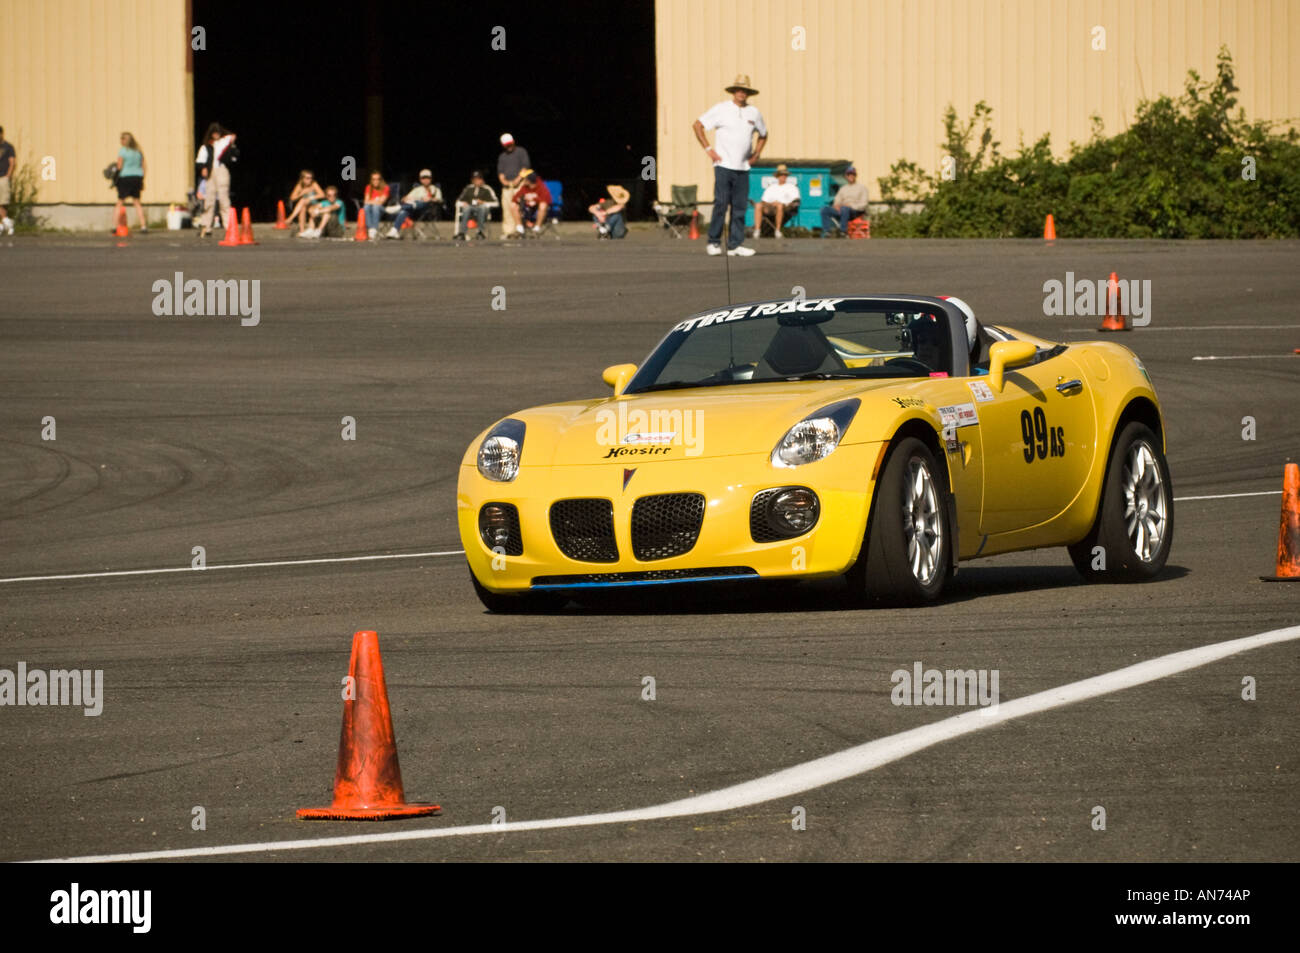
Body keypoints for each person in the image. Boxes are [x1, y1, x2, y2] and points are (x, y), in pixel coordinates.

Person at [692, 73, 766, 257]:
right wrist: (708, 149)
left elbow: (763, 134)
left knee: (740, 206)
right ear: (734, 92)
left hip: (743, 166)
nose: (742, 93)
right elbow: (698, 125)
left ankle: (735, 244)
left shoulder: (754, 113)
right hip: (723, 164)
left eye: (745, 90)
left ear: (748, 93)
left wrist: (756, 154)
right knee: (721, 203)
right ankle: (714, 241)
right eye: (739, 90)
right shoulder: (721, 108)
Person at [196, 123, 237, 238]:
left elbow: (232, 136)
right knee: (209, 200)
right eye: (214, 132)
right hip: (210, 172)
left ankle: (229, 226)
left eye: (218, 132)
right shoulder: (206, 146)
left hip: (221, 170)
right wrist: (203, 168)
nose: (216, 135)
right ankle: (206, 227)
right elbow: (199, 160)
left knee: (224, 198)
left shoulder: (224, 141)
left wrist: (230, 140)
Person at [386, 169, 442, 239]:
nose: (426, 180)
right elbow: (404, 199)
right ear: (420, 179)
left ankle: (399, 207)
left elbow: (439, 200)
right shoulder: (417, 189)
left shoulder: (435, 189)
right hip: (413, 210)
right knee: (404, 211)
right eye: (423, 178)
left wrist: (430, 199)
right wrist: (410, 199)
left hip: (426, 209)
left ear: (431, 179)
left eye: (428, 178)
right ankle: (394, 231)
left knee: (422, 202)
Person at [496, 132, 530, 239]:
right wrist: (503, 181)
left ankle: (518, 230)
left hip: (519, 184)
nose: (509, 146)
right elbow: (500, 172)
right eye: (507, 145)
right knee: (507, 208)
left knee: (517, 207)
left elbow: (526, 168)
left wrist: (519, 179)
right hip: (507, 186)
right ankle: (508, 232)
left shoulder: (521, 152)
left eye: (510, 144)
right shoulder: (502, 156)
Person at [752, 164, 799, 238]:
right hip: (770, 207)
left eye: (785, 175)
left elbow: (796, 200)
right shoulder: (771, 187)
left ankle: (777, 230)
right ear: (777, 176)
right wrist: (772, 204)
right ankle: (757, 230)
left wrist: (784, 204)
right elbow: (764, 200)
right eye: (781, 175)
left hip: (785, 208)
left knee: (779, 205)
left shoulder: (792, 187)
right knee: (758, 205)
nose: (783, 176)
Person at [820, 166, 869, 237]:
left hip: (855, 211)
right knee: (824, 209)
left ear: (855, 175)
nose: (851, 176)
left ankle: (843, 231)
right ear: (846, 176)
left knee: (845, 209)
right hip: (842, 209)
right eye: (849, 174)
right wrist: (836, 205)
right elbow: (837, 200)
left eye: (852, 174)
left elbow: (864, 204)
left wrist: (851, 206)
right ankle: (827, 231)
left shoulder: (862, 188)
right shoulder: (843, 188)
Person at [454, 170, 498, 240]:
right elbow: (458, 201)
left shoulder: (487, 189)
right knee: (467, 208)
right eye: (475, 179)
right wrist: (463, 203)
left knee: (482, 208)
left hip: (482, 210)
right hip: (470, 209)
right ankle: (462, 233)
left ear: (482, 180)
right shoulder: (468, 188)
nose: (477, 181)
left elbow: (496, 203)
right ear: (472, 180)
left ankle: (480, 232)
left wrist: (483, 202)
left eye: (478, 179)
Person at [513, 170, 551, 236]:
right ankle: (519, 229)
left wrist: (534, 200)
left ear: (529, 180)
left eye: (524, 179)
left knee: (543, 205)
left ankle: (536, 229)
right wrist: (521, 199)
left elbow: (547, 199)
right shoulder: (524, 187)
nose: (523, 181)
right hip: (527, 209)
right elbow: (515, 198)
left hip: (537, 209)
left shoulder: (541, 186)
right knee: (513, 204)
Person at [362, 171, 390, 239]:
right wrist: (376, 201)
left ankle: (374, 229)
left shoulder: (386, 188)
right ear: (371, 180)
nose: (376, 181)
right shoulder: (368, 187)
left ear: (381, 180)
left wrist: (371, 201)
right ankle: (371, 229)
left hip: (382, 209)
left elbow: (381, 203)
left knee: (375, 207)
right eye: (374, 179)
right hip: (370, 209)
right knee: (366, 207)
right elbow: (365, 201)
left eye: (378, 179)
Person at [0, 125, 17, 234]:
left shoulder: (8, 147)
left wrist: (8, 175)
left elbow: (12, 162)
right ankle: (4, 222)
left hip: (3, 177)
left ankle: (5, 222)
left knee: (3, 201)